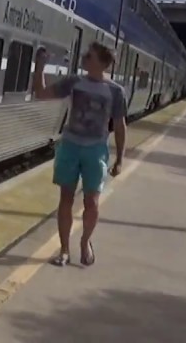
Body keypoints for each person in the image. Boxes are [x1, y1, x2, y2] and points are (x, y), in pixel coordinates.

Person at [33, 42, 127, 267]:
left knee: (92, 202)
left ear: (103, 63)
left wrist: (120, 158)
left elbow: (121, 125)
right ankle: (64, 249)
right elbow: (41, 93)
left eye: (89, 56)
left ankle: (85, 242)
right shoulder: (74, 82)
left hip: (96, 150)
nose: (84, 58)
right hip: (71, 146)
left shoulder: (116, 91)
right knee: (66, 199)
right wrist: (39, 66)